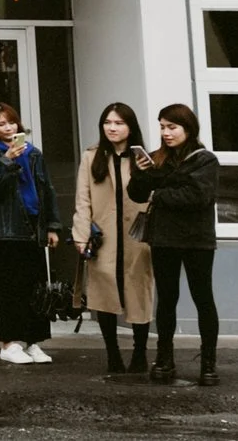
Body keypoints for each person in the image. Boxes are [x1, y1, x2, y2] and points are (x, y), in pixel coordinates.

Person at [130, 102, 222, 386]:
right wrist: (143, 172)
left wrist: (159, 193)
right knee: (166, 299)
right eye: (161, 127)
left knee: (202, 298)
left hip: (197, 240)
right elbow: (136, 194)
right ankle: (164, 359)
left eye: (172, 127)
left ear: (188, 128)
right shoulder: (158, 158)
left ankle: (208, 363)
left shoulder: (204, 160)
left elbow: (198, 197)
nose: (166, 133)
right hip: (164, 238)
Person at [0, 101, 61, 364]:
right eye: (1, 123)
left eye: (11, 122)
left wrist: (53, 226)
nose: (8, 127)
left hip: (33, 227)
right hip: (5, 229)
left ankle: (34, 342)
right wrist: (7, 160)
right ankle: (9, 343)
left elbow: (47, 189)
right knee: (9, 288)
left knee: (35, 288)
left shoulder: (33, 153)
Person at [73, 102, 155, 377]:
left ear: (130, 127)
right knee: (104, 290)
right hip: (102, 236)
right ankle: (112, 355)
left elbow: (154, 196)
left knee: (138, 291)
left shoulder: (143, 158)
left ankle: (140, 353)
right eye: (108, 122)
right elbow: (83, 199)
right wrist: (81, 234)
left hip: (137, 237)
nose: (112, 127)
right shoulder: (91, 157)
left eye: (119, 123)